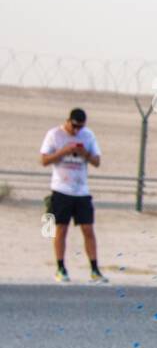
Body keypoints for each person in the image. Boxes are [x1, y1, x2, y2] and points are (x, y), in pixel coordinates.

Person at [39, 108, 107, 283]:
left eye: (80, 127)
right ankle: (60, 267)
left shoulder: (88, 135)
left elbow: (97, 161)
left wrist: (85, 153)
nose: (77, 131)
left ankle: (94, 269)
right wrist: (64, 151)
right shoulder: (54, 134)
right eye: (74, 126)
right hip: (61, 189)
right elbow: (44, 160)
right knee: (61, 229)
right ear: (68, 121)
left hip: (81, 190)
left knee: (88, 229)